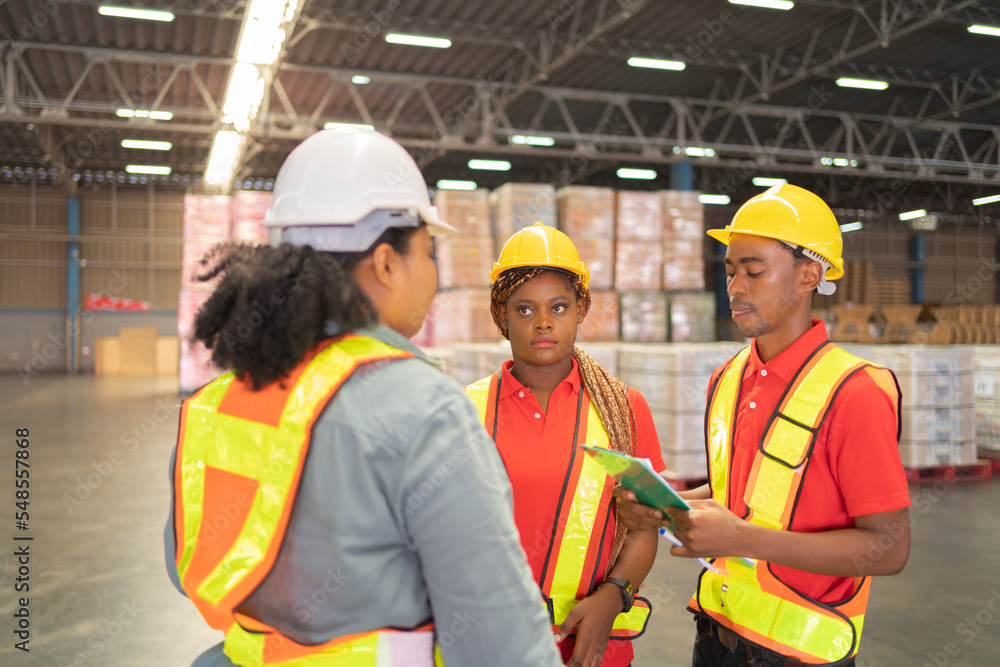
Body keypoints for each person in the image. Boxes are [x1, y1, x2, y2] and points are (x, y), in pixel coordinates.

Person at [164, 128, 562, 667]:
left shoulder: (222, 398)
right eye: (427, 252)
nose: (433, 275)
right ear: (386, 264)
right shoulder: (423, 408)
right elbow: (500, 642)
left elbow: (182, 561)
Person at [614, 184, 912, 667]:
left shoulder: (855, 392)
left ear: (808, 276)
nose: (735, 287)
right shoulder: (728, 379)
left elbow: (890, 547)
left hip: (799, 651)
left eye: (754, 271)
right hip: (715, 633)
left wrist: (741, 539)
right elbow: (749, 493)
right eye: (730, 271)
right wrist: (666, 507)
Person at [465, 222, 664, 667]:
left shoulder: (625, 409)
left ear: (580, 310)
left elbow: (644, 526)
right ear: (501, 316)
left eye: (558, 307)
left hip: (592, 648)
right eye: (523, 310)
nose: (542, 323)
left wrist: (615, 595)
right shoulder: (464, 412)